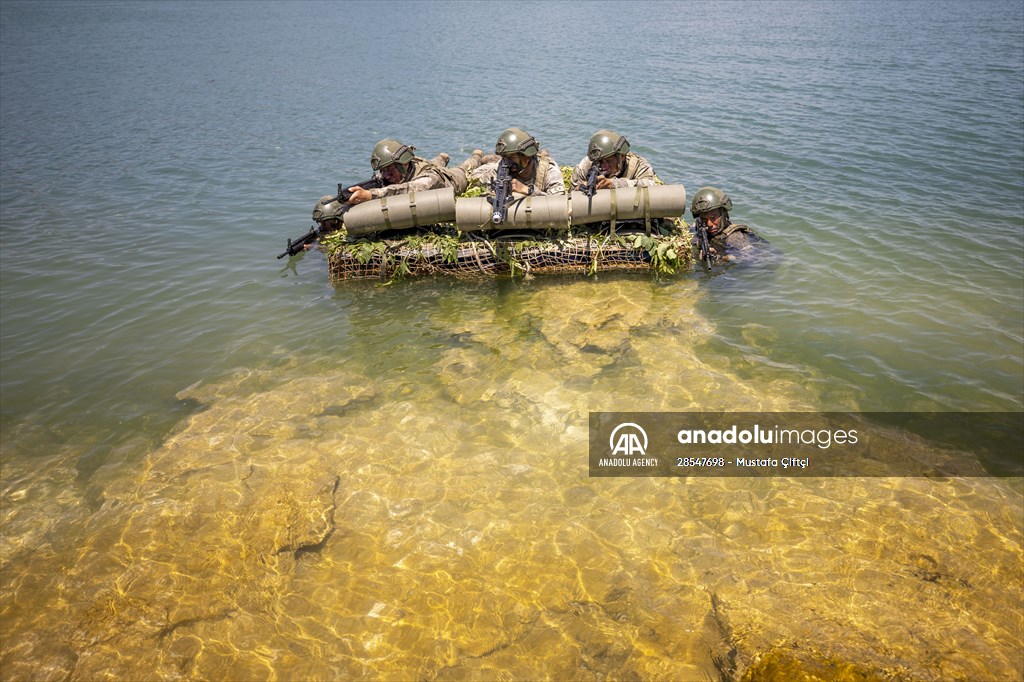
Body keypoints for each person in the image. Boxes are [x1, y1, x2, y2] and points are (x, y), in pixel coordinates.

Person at [345, 139, 484, 205]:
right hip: (421, 170)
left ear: (404, 164)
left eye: (390, 169)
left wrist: (371, 195)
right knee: (435, 161)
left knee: (465, 168)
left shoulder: (429, 180)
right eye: (383, 170)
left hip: (450, 180)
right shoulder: (392, 173)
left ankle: (477, 155)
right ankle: (443, 157)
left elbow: (409, 190)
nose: (386, 175)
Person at [471, 127, 565, 196]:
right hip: (491, 164)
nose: (506, 162)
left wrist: (529, 191)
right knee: (481, 163)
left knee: (545, 155)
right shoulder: (503, 166)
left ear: (525, 158)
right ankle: (479, 157)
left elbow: (558, 203)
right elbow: (475, 177)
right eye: (504, 157)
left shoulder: (549, 172)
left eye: (511, 157)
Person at [690, 186, 764, 263]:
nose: (709, 224)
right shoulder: (699, 226)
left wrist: (719, 257)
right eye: (704, 219)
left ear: (724, 214)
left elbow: (752, 258)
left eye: (713, 217)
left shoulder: (735, 238)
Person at [569, 130, 660, 192]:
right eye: (600, 161)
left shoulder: (637, 165)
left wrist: (614, 184)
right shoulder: (585, 166)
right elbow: (570, 197)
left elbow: (652, 187)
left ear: (622, 157)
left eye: (608, 161)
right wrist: (579, 189)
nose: (604, 166)